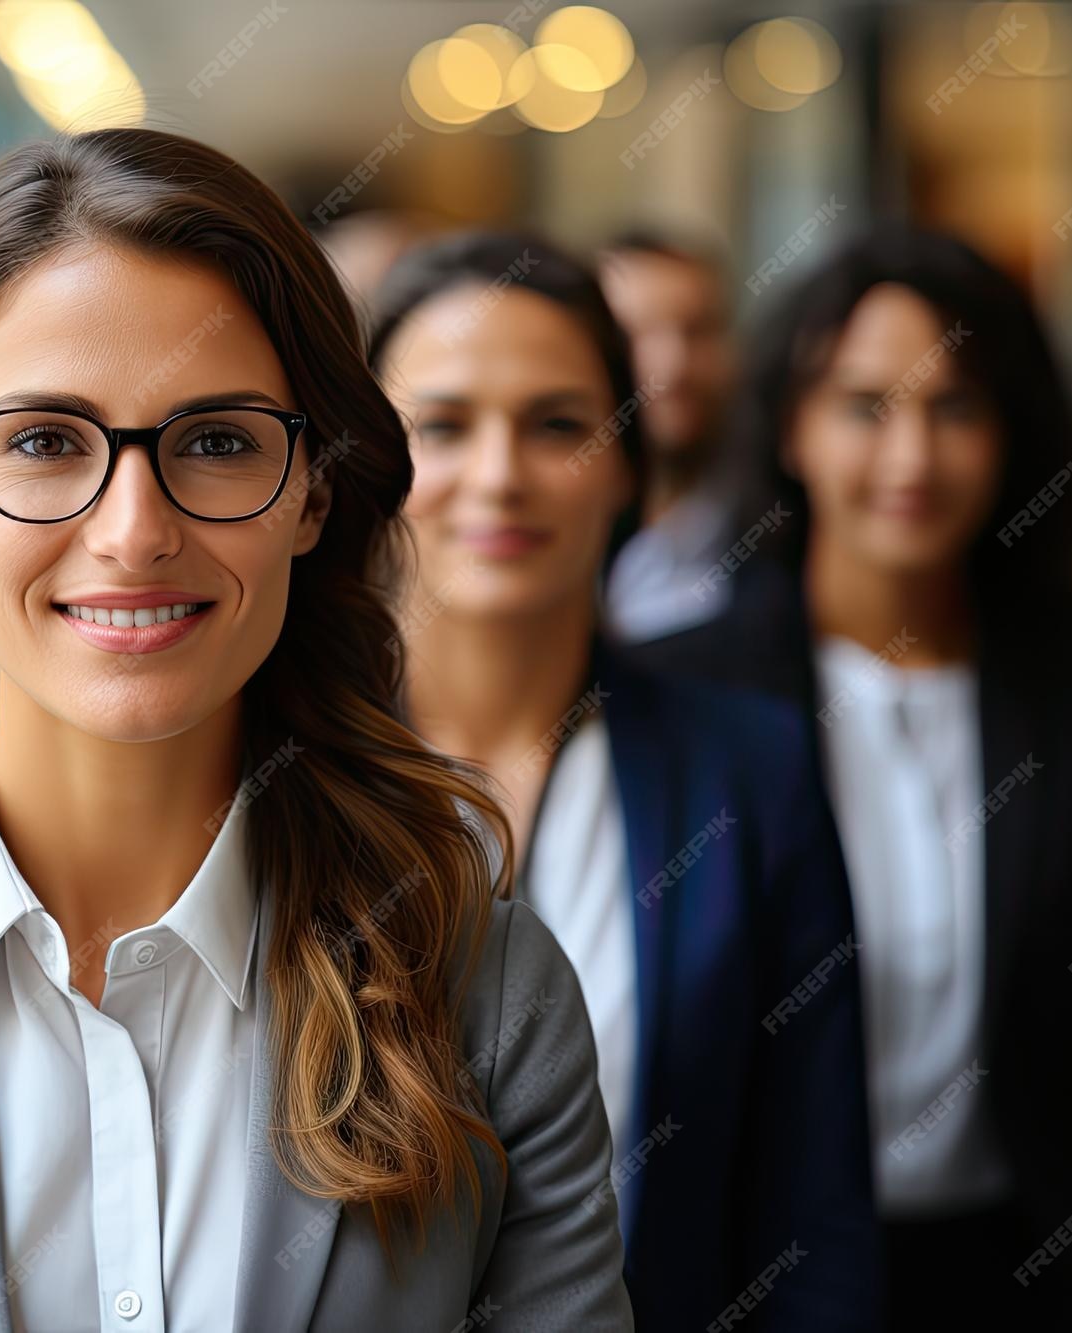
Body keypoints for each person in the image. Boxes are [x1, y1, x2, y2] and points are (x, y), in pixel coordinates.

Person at [0, 128, 632, 1331]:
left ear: (311, 492)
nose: (133, 529)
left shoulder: (489, 996)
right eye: (42, 442)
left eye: (218, 441)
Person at [369, 231, 878, 1331]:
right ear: (362, 464)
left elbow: (813, 1205)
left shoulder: (752, 769)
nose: (499, 474)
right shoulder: (275, 769)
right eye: (444, 426)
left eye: (557, 424)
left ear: (624, 463)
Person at [633, 229, 1072, 1325]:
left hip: (1031, 1274)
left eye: (953, 408)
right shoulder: (677, 697)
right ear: (791, 426)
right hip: (750, 1276)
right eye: (864, 406)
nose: (909, 458)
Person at [595, 229, 741, 643]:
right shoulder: (552, 522)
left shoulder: (774, 531)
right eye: (635, 334)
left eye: (698, 331)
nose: (673, 364)